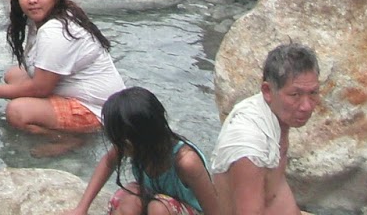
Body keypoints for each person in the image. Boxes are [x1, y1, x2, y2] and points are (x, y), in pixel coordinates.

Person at [0, 0, 125, 156]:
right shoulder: (48, 17)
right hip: (81, 94)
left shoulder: (55, 30)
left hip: (98, 111)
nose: (32, 0)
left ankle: (71, 140)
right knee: (13, 74)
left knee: (16, 112)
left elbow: (42, 88)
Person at [66, 87, 223, 215]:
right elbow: (108, 163)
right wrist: (82, 208)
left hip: (174, 210)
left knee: (159, 209)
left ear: (129, 143)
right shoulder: (138, 145)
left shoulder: (187, 162)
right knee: (130, 199)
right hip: (156, 201)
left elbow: (214, 211)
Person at [210, 44, 321, 215]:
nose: (306, 106)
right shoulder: (248, 147)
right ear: (267, 91)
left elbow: (275, 190)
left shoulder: (276, 118)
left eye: (313, 93)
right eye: (295, 95)